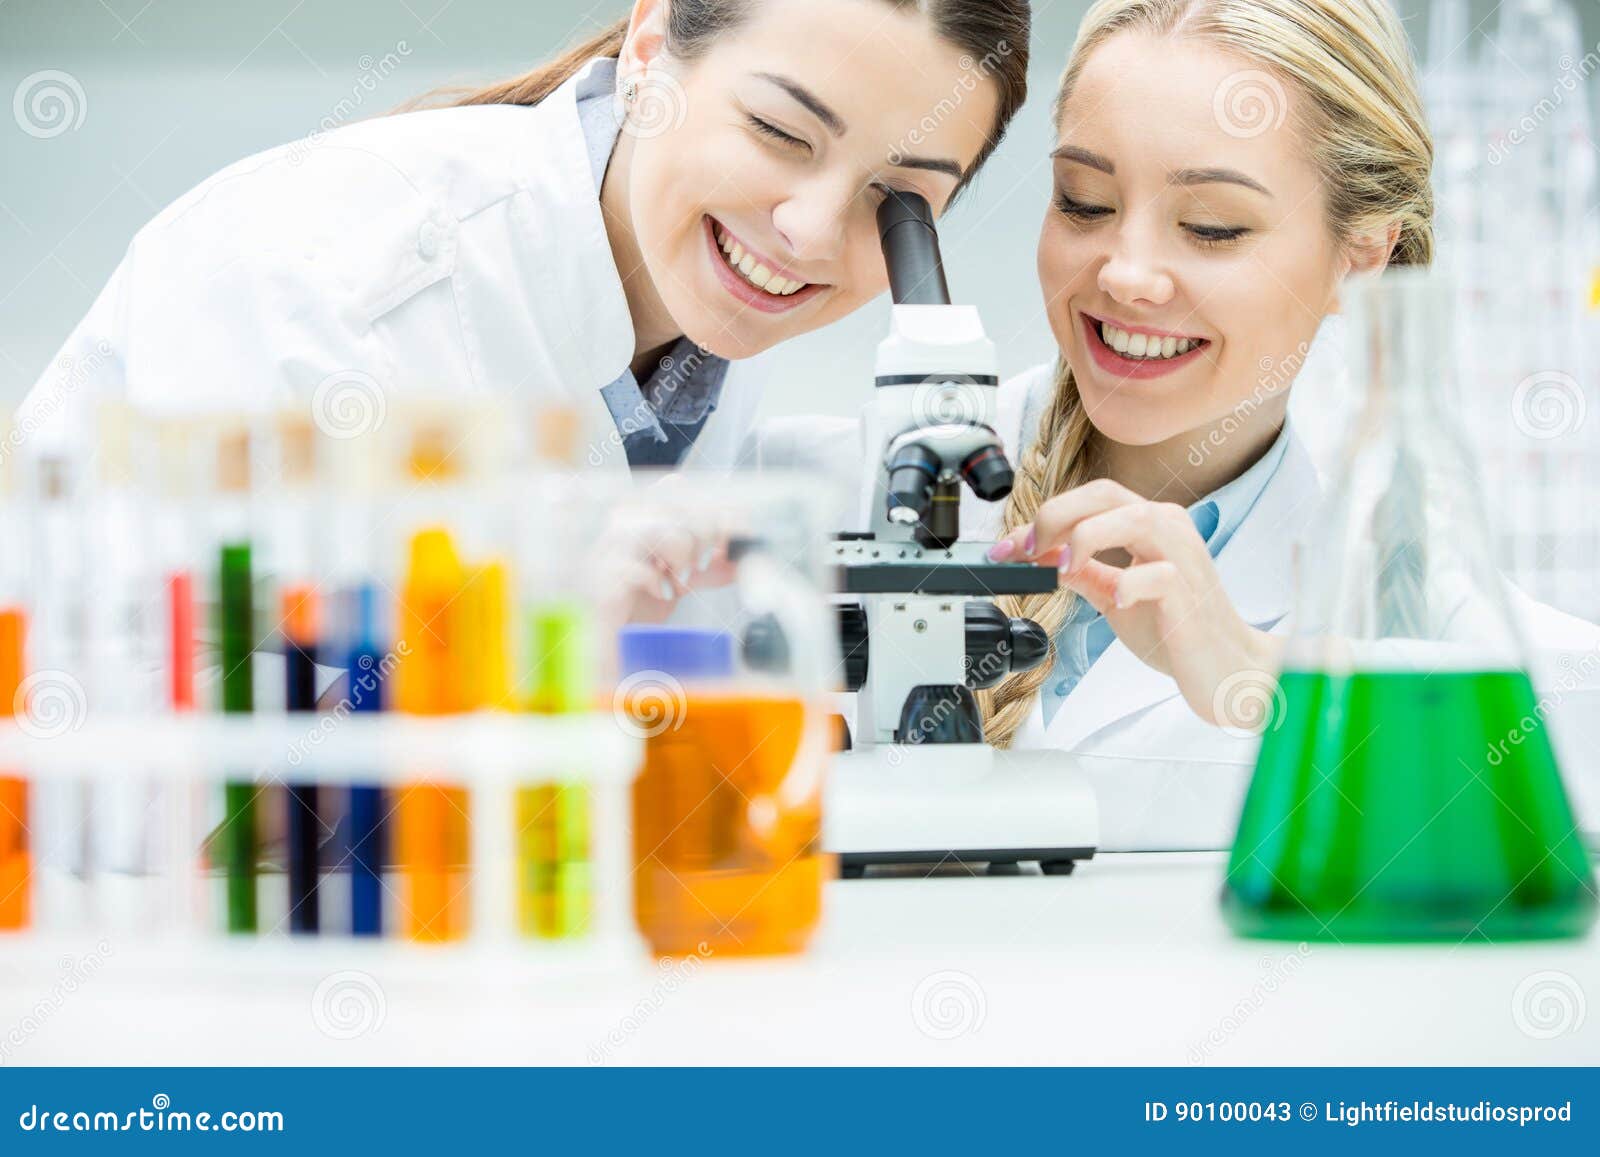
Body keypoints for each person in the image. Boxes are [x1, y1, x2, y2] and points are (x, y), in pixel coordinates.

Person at [16, 0, 1029, 486]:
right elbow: (187, 756)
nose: (809, 230)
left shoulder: (694, 327)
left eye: (896, 201)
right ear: (648, 46)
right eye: (776, 132)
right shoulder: (326, 275)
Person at [973, 0, 1600, 759]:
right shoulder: (888, 473)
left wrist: (1260, 672)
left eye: (1212, 226)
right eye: (1086, 202)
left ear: (1361, 257)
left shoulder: (1391, 584)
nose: (1127, 273)